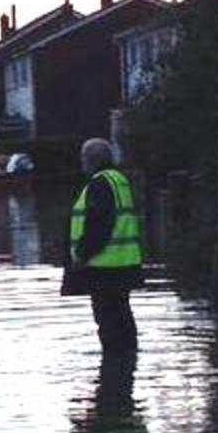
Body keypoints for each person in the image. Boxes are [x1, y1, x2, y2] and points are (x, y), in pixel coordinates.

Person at [61, 138, 144, 362]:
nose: (81, 163)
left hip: (104, 266)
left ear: (91, 160)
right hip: (124, 264)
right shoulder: (120, 180)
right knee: (122, 317)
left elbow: (99, 225)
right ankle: (127, 364)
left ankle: (114, 373)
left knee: (109, 322)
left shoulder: (99, 184)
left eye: (83, 159)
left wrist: (81, 255)